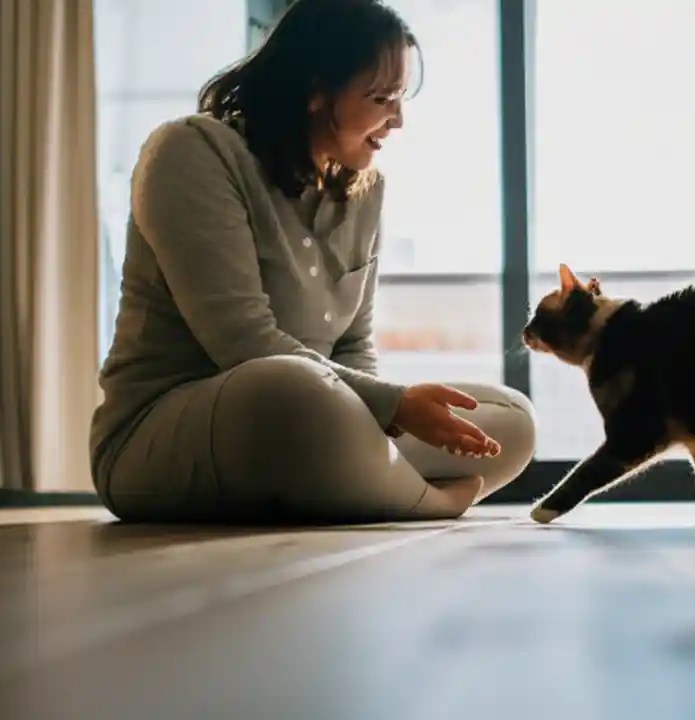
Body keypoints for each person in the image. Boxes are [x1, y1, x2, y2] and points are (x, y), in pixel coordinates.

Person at [89, 0, 536, 524]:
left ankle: (358, 482)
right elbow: (243, 342)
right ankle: (422, 501)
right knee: (289, 388)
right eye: (382, 98)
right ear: (314, 91)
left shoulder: (366, 191)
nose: (398, 120)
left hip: (316, 422)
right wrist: (392, 406)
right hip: (172, 433)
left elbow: (354, 346)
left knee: (512, 419)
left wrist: (383, 415)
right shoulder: (192, 152)